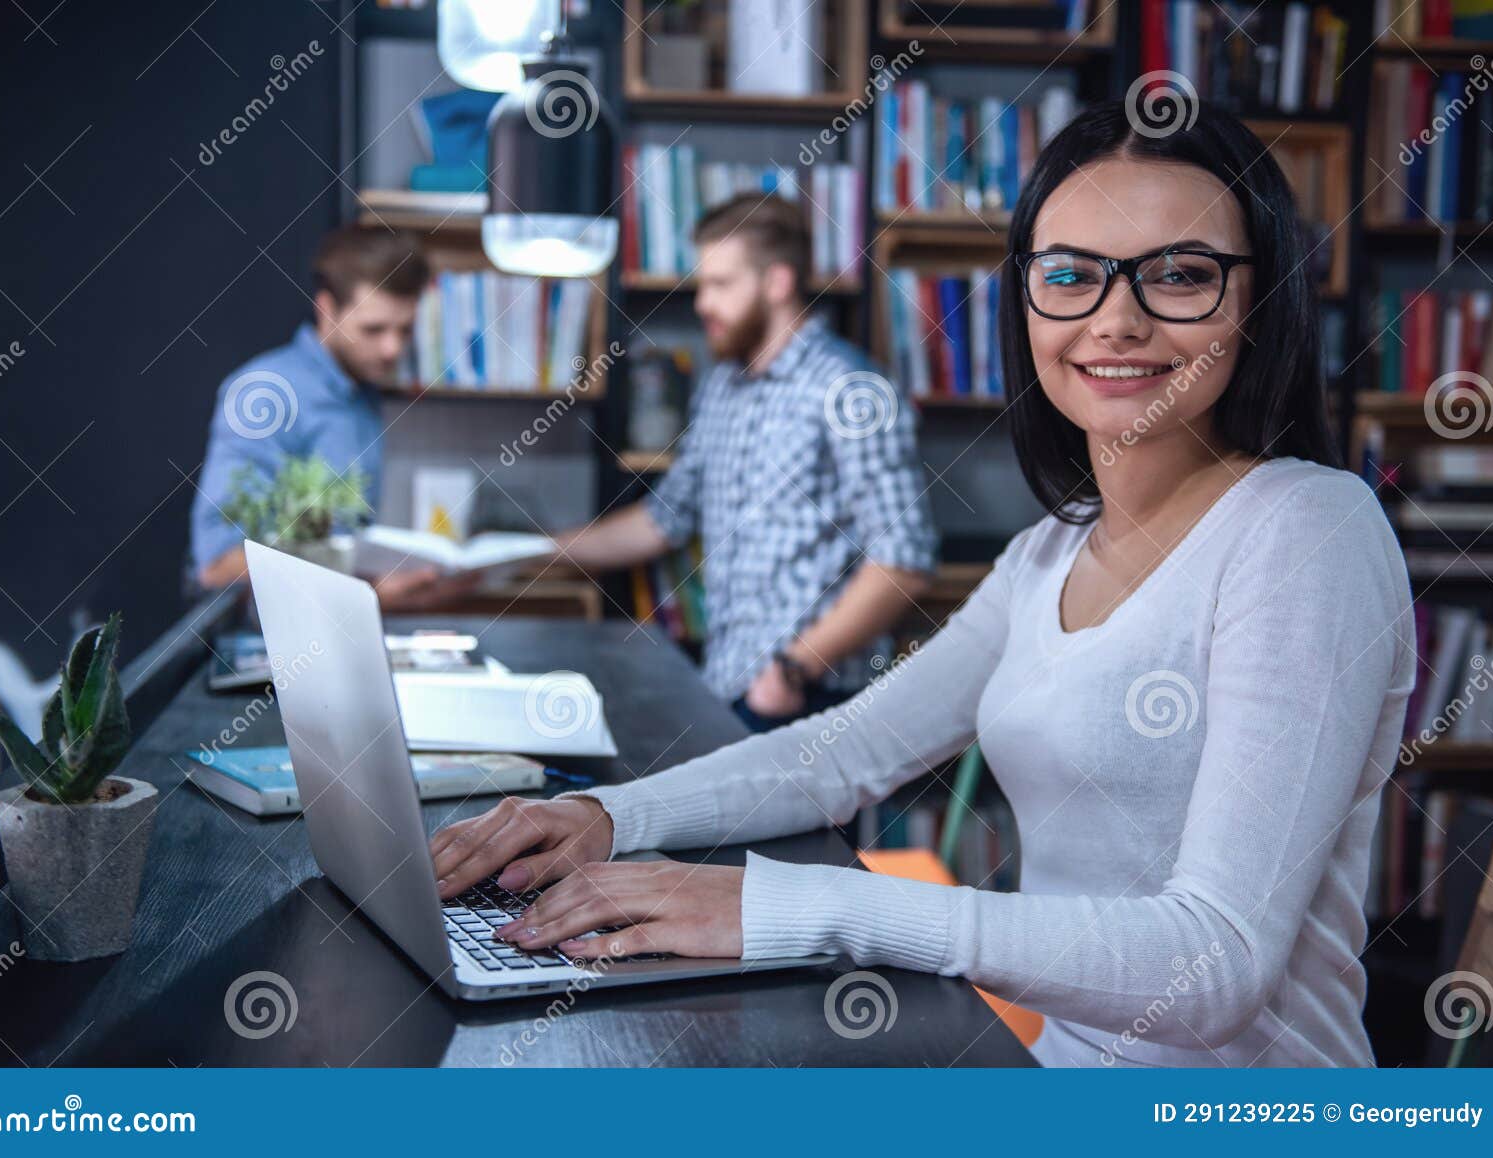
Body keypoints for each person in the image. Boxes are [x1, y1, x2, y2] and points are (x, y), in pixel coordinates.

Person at [424, 100, 1416, 1067]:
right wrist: (611, 816)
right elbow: (841, 753)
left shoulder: (1304, 528)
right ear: (1025, 297)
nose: (1117, 320)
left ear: (1258, 302)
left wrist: (794, 908)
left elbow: (1214, 966)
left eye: (1182, 275)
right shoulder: (1049, 552)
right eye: (1069, 275)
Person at [554, 194, 938, 730]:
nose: (703, 303)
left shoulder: (851, 389)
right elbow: (662, 520)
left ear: (777, 282)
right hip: (726, 688)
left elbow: (903, 564)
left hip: (807, 701)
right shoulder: (722, 387)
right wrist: (527, 556)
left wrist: (791, 671)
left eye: (721, 284)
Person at [188, 225, 466, 611]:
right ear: (326, 309)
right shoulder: (264, 393)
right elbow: (219, 565)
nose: (392, 349)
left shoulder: (362, 393)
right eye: (373, 329)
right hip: (268, 646)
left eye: (405, 330)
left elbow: (340, 546)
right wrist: (365, 591)